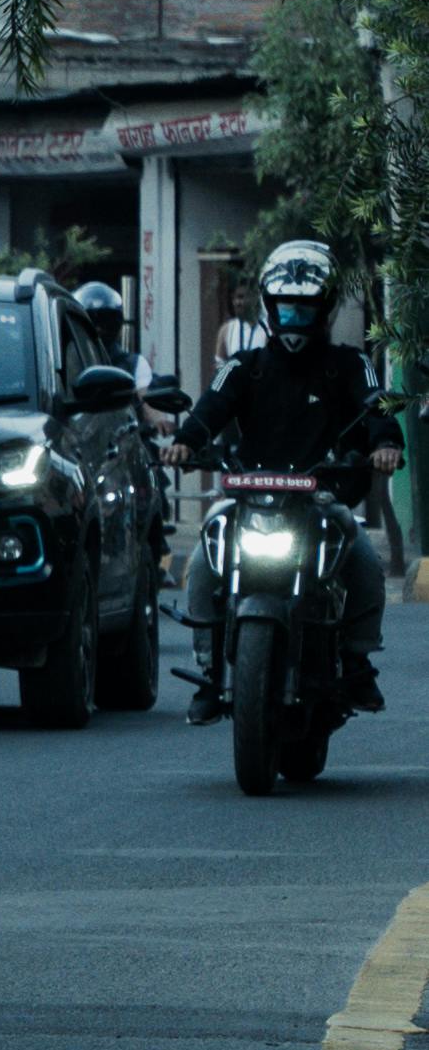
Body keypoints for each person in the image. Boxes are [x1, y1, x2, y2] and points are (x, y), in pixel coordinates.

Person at [176, 237, 392, 721]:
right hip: (248, 498)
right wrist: (185, 443)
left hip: (321, 501)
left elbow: (376, 406)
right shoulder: (244, 367)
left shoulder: (349, 365)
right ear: (270, 310)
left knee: (364, 560)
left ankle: (356, 663)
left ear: (327, 311)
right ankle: (212, 672)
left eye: (306, 311)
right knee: (204, 559)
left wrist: (384, 444)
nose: (295, 322)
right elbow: (210, 407)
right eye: (286, 311)